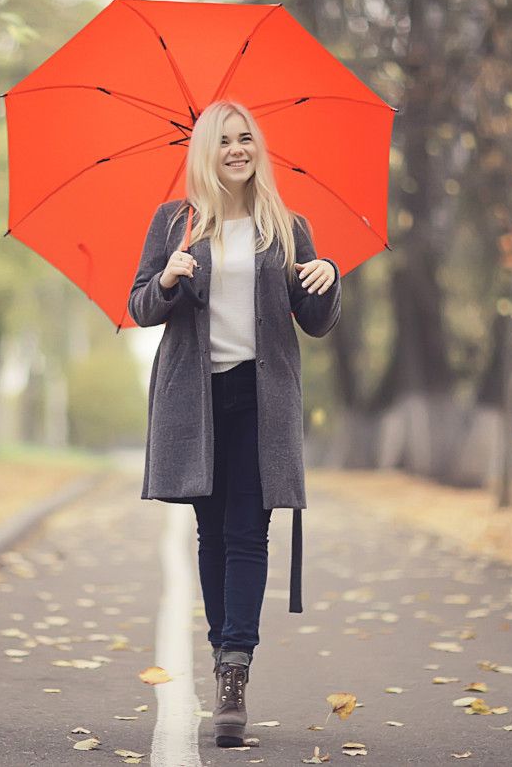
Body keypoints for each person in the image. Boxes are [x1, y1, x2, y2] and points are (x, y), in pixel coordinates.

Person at [126, 99, 341, 748]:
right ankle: (226, 649)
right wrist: (167, 278)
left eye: (245, 138)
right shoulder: (175, 223)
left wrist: (327, 277)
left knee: (249, 531)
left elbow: (316, 321)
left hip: (261, 396)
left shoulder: (287, 227)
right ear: (205, 152)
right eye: (224, 140)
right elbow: (141, 306)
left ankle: (234, 669)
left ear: (258, 148)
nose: (237, 149)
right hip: (195, 399)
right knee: (212, 533)